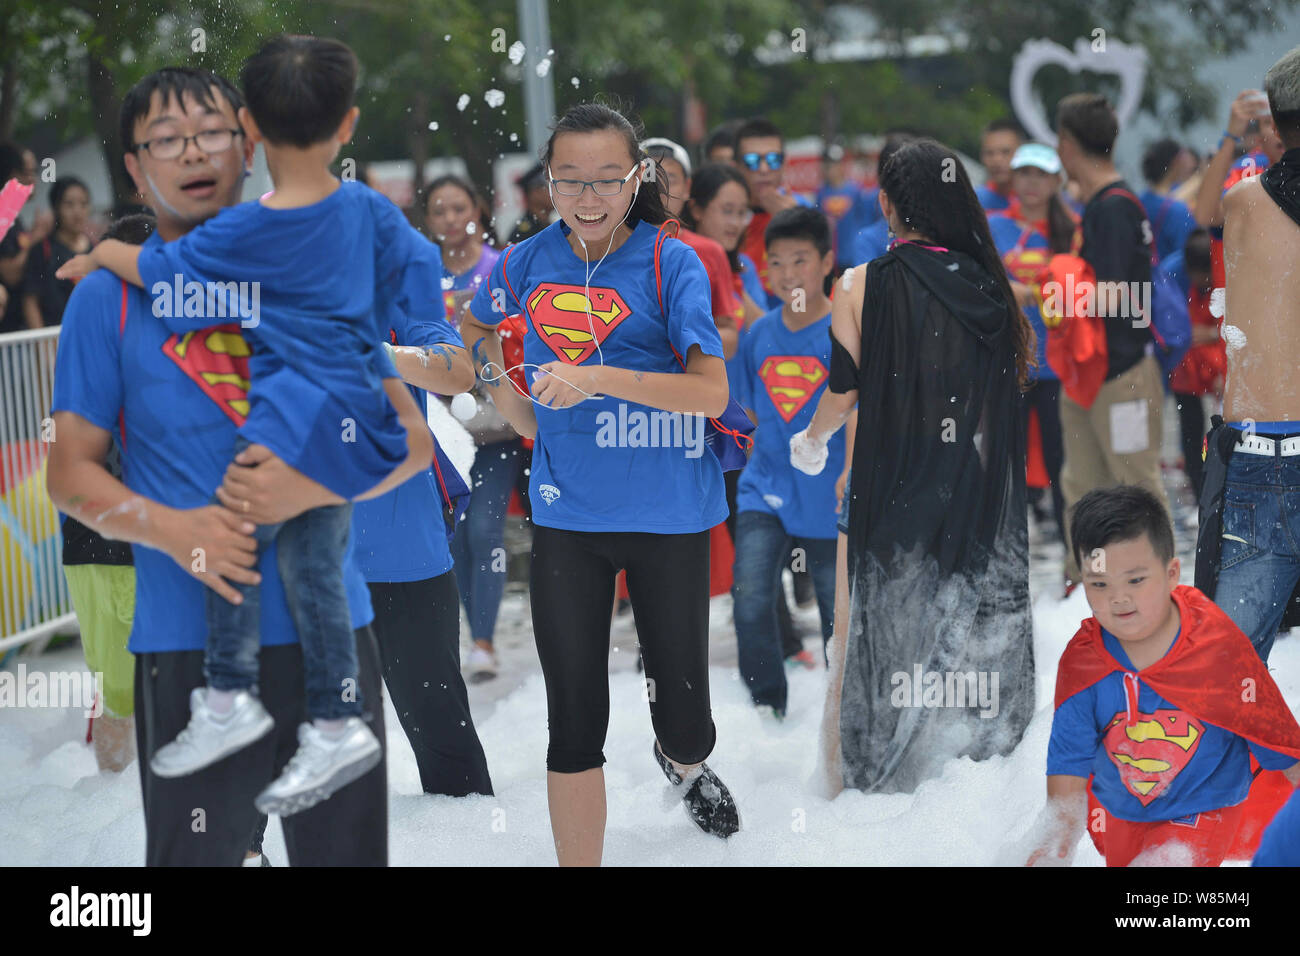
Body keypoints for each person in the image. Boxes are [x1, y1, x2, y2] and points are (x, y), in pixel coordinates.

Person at [47, 64, 430, 865]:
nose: (193, 152)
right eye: (166, 138)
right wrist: (178, 531)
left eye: (212, 131)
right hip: (187, 642)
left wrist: (311, 485)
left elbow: (409, 443)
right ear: (134, 166)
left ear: (249, 142)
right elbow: (70, 476)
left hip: (329, 636)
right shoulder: (105, 301)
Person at [460, 101, 741, 865]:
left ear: (637, 178)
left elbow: (711, 393)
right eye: (569, 180)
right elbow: (477, 327)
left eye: (607, 180)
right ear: (546, 183)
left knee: (685, 719)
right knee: (573, 715)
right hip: (567, 518)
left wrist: (597, 379)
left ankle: (683, 761)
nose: (588, 198)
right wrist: (509, 401)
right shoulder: (522, 261)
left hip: (670, 517)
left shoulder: (669, 261)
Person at [792, 138, 1035, 795]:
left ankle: (859, 785)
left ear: (887, 204)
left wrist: (810, 440)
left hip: (891, 487)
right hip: (974, 489)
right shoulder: (991, 288)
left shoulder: (858, 284)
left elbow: (843, 393)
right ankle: (968, 775)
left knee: (868, 633)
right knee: (961, 629)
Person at [1027, 486, 1300, 867]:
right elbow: (1067, 774)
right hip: (1125, 807)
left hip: (1206, 803)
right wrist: (1050, 848)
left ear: (1172, 573)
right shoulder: (1084, 662)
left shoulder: (1214, 647)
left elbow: (1274, 732)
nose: (1118, 598)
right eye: (1100, 584)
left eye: (1135, 580)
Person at [351, 210, 494, 796]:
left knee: (445, 746)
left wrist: (374, 356)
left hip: (403, 554)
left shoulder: (400, 310)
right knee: (293, 753)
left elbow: (460, 370)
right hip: (300, 566)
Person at [1197, 45, 1300, 662]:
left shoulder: (1244, 206)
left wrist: (1235, 139)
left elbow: (1201, 210)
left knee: (1226, 669)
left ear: (1275, 127)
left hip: (1263, 457)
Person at [1052, 92, 1167, 589]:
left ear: (1066, 146)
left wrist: (1060, 292)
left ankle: (1160, 590)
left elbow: (1122, 296)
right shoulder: (1099, 205)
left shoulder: (1114, 208)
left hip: (1122, 378)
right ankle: (1086, 586)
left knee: (1136, 487)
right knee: (1081, 487)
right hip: (1086, 374)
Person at [731, 206, 842, 718]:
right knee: (750, 596)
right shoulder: (758, 336)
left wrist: (851, 471)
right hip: (765, 489)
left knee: (834, 613)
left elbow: (858, 412)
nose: (787, 274)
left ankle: (842, 711)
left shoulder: (846, 333)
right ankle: (765, 709)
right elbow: (747, 413)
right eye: (775, 263)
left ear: (826, 263)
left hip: (828, 496)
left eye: (800, 260)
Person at [59, 213, 155, 775]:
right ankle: (120, 813)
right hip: (110, 537)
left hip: (109, 539)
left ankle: (125, 812)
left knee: (124, 690)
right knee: (125, 692)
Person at [424, 173, 517, 680]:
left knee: (486, 530)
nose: (449, 220)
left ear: (478, 212)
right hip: (442, 428)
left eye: (458, 208)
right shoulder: (423, 272)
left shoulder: (499, 266)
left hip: (498, 427)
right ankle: (474, 631)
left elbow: (520, 329)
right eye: (438, 211)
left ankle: (484, 640)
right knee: (456, 536)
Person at [988, 143, 1078, 542]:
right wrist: (1010, 290)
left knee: (1064, 461)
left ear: (1057, 180)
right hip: (1007, 361)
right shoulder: (993, 226)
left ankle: (1071, 549)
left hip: (1059, 365)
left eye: (1040, 174)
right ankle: (1007, 545)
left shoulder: (1073, 229)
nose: (1031, 182)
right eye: (1024, 173)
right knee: (1007, 461)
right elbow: (976, 281)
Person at [1160, 228, 1221, 499]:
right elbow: (1163, 317)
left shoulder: (1228, 274)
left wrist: (1213, 333)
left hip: (1220, 363)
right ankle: (1198, 485)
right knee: (1191, 428)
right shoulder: (1171, 274)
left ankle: (1219, 482)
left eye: (1206, 276)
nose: (1201, 280)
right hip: (1187, 369)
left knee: (1221, 428)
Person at [735, 117, 808, 306]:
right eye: (752, 161)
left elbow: (818, 284)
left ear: (785, 163)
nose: (764, 169)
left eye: (773, 160)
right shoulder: (728, 216)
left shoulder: (802, 211)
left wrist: (793, 224)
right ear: (736, 167)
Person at [22, 177, 92, 328]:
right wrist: (42, 344)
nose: (77, 211)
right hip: (54, 340)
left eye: (83, 204)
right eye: (69, 204)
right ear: (56, 208)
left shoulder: (97, 250)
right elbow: (30, 301)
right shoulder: (42, 250)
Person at [1138, 139, 1197, 263]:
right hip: (1170, 280)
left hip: (1141, 278)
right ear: (1176, 163)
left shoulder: (1137, 201)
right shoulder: (1179, 211)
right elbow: (1189, 256)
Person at [976, 118, 1024, 211]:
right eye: (989, 153)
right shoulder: (972, 202)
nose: (996, 160)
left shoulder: (1040, 204)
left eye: (1006, 152)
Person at [508, 162, 552, 244]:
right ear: (534, 193)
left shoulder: (548, 225)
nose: (553, 192)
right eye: (547, 187)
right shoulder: (524, 234)